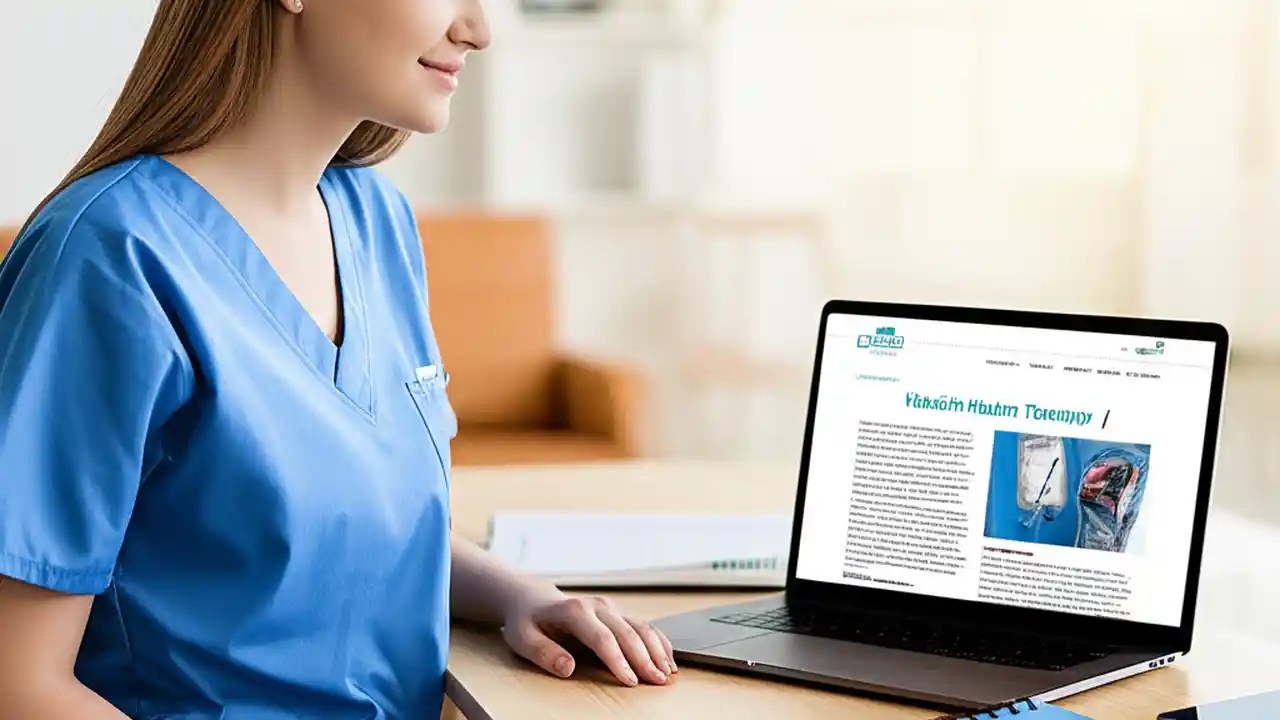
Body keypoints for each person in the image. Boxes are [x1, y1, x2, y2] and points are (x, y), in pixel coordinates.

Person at [0, 1, 675, 717]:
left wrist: (519, 594)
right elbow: (19, 682)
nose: (477, 29)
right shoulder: (107, 258)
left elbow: (350, 535)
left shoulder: (378, 222)